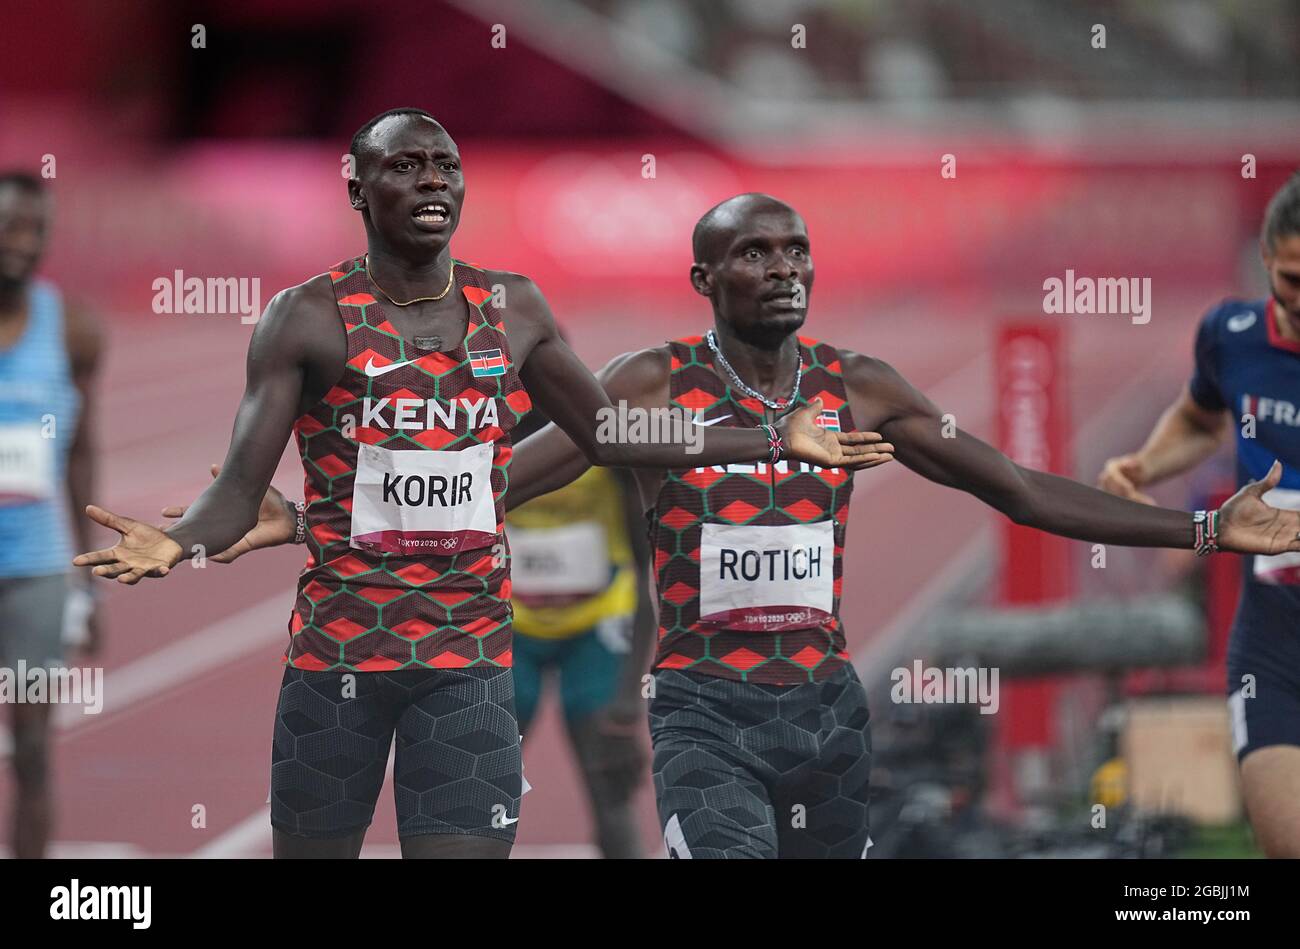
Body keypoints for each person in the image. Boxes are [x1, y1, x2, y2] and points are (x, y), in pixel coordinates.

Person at [213, 191, 1300, 859]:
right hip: (702, 714)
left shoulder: (859, 387)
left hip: (827, 713)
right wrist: (311, 522)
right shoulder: (653, 380)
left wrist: (1200, 535)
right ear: (703, 277)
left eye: (795, 251)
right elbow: (492, 480)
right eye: (755, 254)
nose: (783, 269)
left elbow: (1014, 486)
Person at [71, 111, 884, 860]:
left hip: (470, 661)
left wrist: (773, 434)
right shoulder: (306, 316)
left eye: (447, 166)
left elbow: (607, 432)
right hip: (337, 656)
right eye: (408, 166)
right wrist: (177, 542)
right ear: (357, 186)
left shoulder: (514, 306)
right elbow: (238, 492)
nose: (434, 180)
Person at [1098, 172, 1300, 858]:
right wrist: (1145, 464)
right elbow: (1197, 416)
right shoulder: (1232, 335)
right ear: (1266, 259)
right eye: (1293, 278)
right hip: (1274, 644)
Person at [0, 170, 104, 857]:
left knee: (33, 748)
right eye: (11, 227)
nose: (24, 244)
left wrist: (88, 581)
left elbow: (80, 455)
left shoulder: (71, 327)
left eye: (38, 230)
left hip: (34, 573)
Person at [506, 406, 654, 859]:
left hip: (598, 626)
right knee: (478, 788)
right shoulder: (484, 443)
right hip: (509, 630)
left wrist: (628, 703)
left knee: (609, 783)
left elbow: (644, 569)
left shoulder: (604, 452)